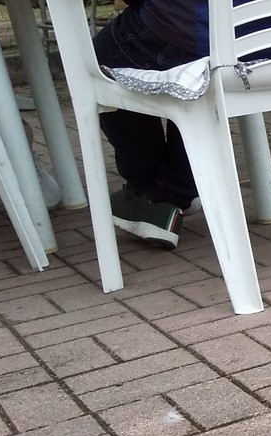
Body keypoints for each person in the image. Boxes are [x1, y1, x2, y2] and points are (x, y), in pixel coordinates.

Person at [92, 0, 208, 249]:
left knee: (95, 59)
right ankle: (182, 181)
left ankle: (156, 194)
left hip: (199, 28)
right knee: (202, 71)